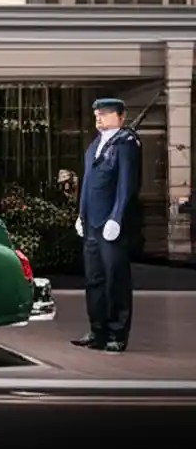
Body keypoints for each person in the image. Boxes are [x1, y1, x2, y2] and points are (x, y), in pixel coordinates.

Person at [70, 97, 141, 353]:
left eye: (105, 113)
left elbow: (126, 185)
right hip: (91, 224)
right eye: (97, 113)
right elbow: (87, 186)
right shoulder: (95, 146)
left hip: (111, 225)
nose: (98, 117)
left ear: (120, 116)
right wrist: (81, 215)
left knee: (116, 281)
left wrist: (117, 217)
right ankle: (97, 330)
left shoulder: (126, 144)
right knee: (94, 280)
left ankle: (117, 333)